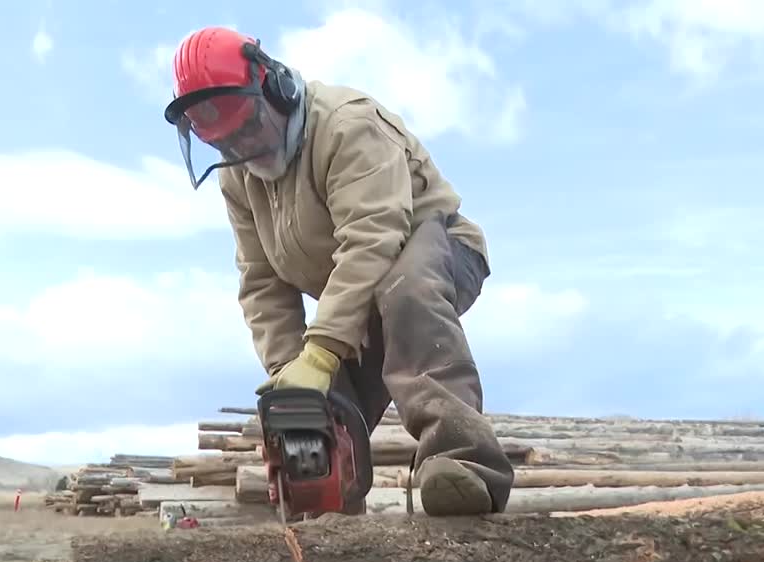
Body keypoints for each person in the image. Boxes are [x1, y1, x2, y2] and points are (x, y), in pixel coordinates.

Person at [162, 26, 514, 516]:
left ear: (274, 89)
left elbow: (374, 239)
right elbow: (261, 281)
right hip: (356, 296)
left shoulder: (347, 127)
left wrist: (323, 348)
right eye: (227, 144)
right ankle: (331, 511)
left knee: (405, 290)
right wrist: (291, 373)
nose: (244, 148)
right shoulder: (241, 177)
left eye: (248, 129)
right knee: (314, 401)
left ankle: (464, 465)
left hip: (435, 252)